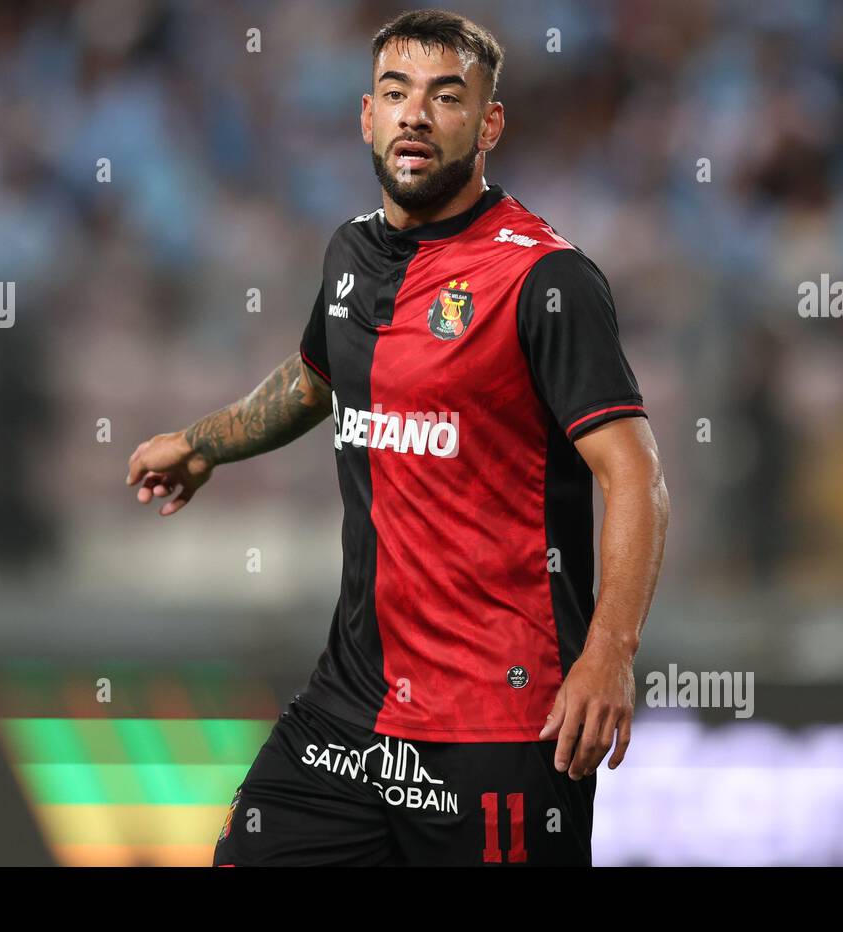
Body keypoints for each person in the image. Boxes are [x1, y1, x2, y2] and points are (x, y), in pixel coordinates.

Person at [126, 9, 669, 865]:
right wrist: (205, 444)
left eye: (446, 97)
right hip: (351, 716)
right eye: (396, 92)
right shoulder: (350, 254)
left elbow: (635, 476)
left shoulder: (545, 279)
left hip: (503, 727)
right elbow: (317, 376)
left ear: (488, 125)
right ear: (367, 117)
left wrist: (609, 652)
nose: (416, 113)